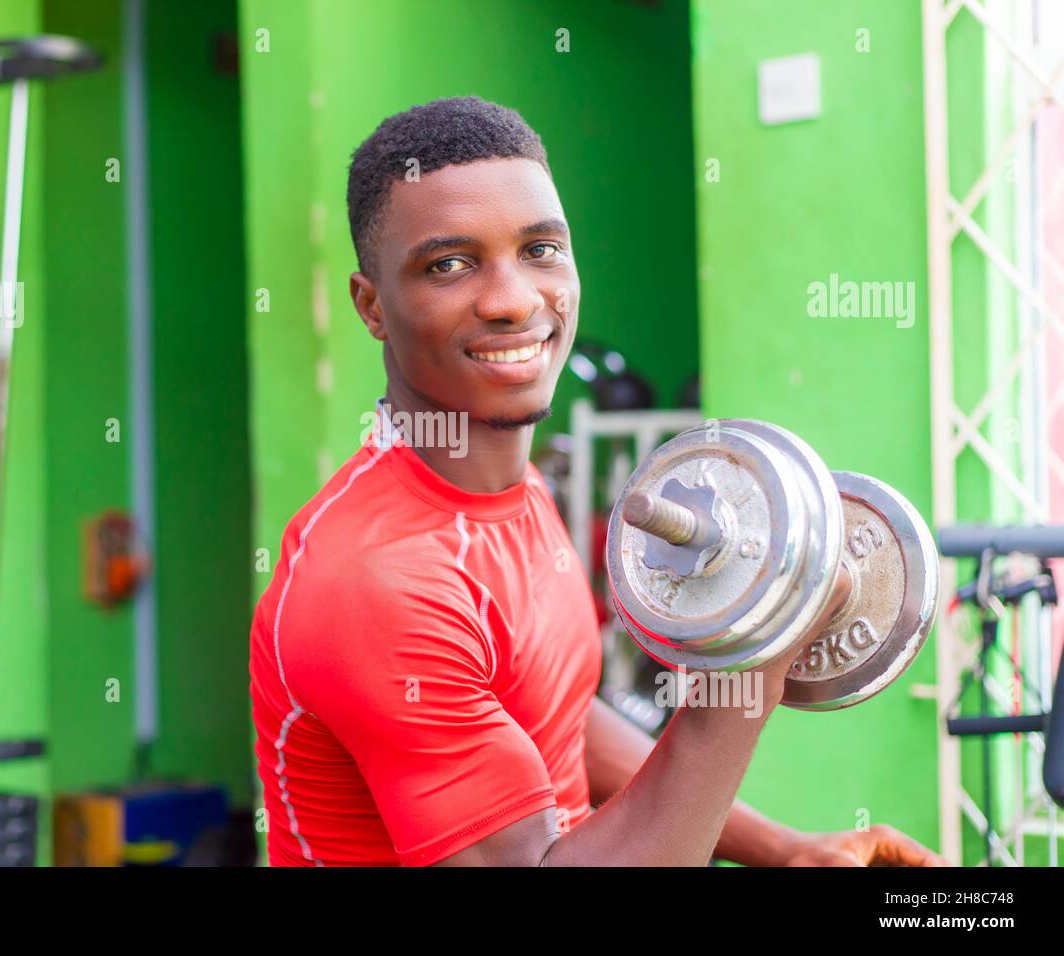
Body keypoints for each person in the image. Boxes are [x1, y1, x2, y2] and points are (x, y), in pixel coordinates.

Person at [248, 95, 943, 867]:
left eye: (540, 250)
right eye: (449, 264)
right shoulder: (375, 582)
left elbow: (558, 710)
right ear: (371, 305)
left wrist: (782, 849)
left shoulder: (517, 494)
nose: (514, 300)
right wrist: (762, 643)